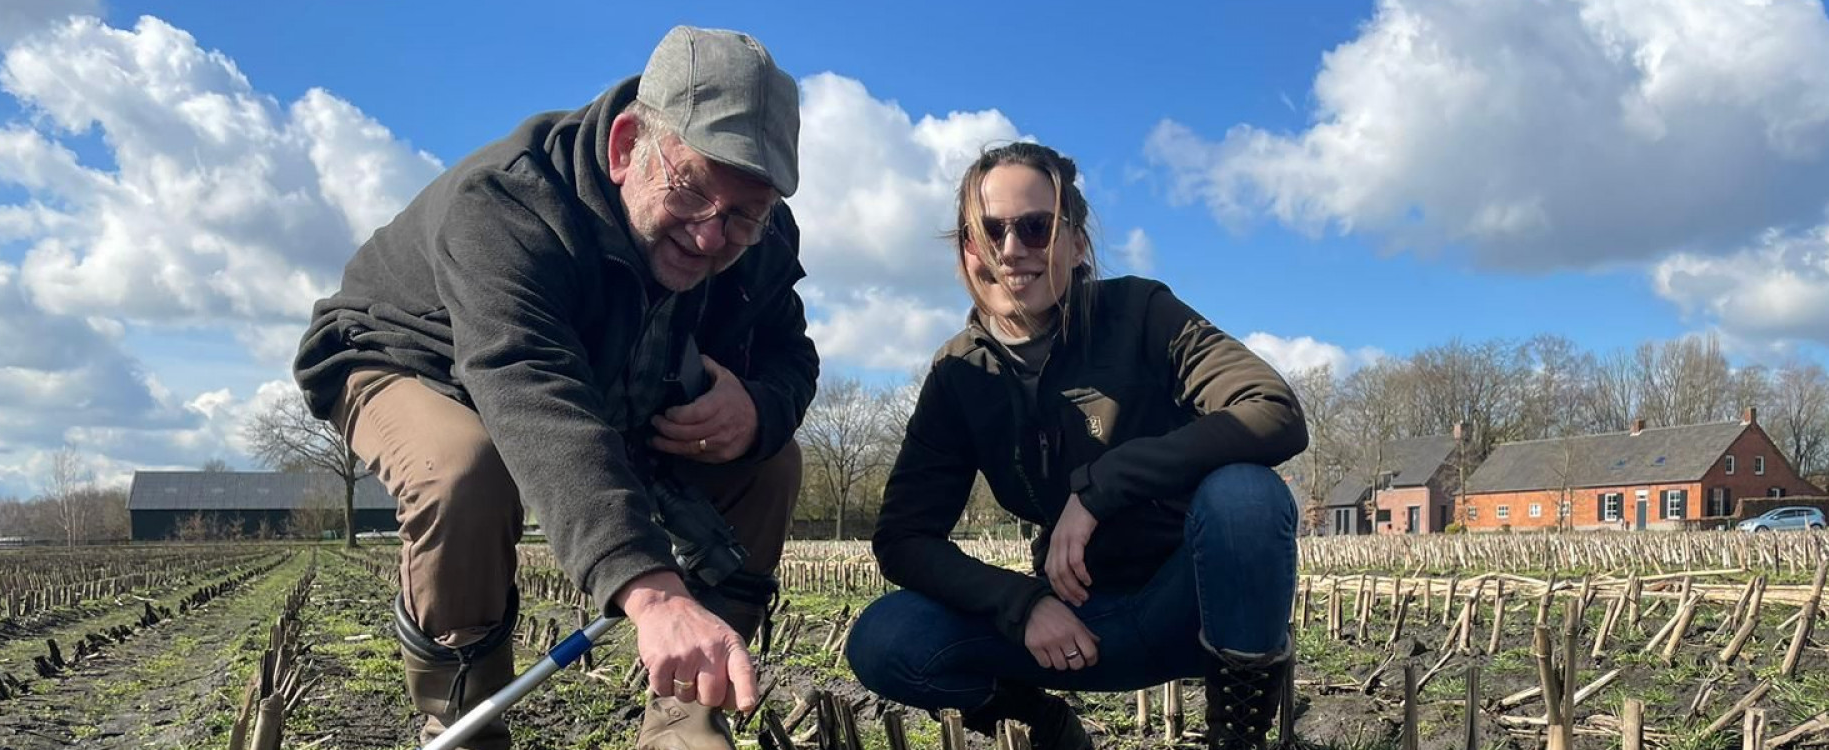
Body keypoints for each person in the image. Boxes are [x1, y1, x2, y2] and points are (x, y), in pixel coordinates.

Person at [292, 26, 816, 750]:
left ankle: (685, 719)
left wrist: (759, 409)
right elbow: (530, 386)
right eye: (692, 191)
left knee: (771, 460)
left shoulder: (757, 237)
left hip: (612, 379)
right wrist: (649, 586)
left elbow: (793, 352)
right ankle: (463, 718)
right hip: (412, 355)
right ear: (627, 144)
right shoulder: (509, 205)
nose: (708, 237)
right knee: (463, 469)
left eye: (742, 217)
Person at [843, 142, 1309, 750]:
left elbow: (1272, 410)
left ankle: (1239, 738)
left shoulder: (1141, 312)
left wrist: (1099, 487)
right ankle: (1044, 727)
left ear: (1076, 241)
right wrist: (1021, 602)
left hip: (1191, 613)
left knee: (1247, 496)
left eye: (1036, 228)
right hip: (1070, 626)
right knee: (885, 638)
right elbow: (904, 539)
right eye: (988, 231)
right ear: (965, 247)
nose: (1011, 251)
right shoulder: (958, 375)